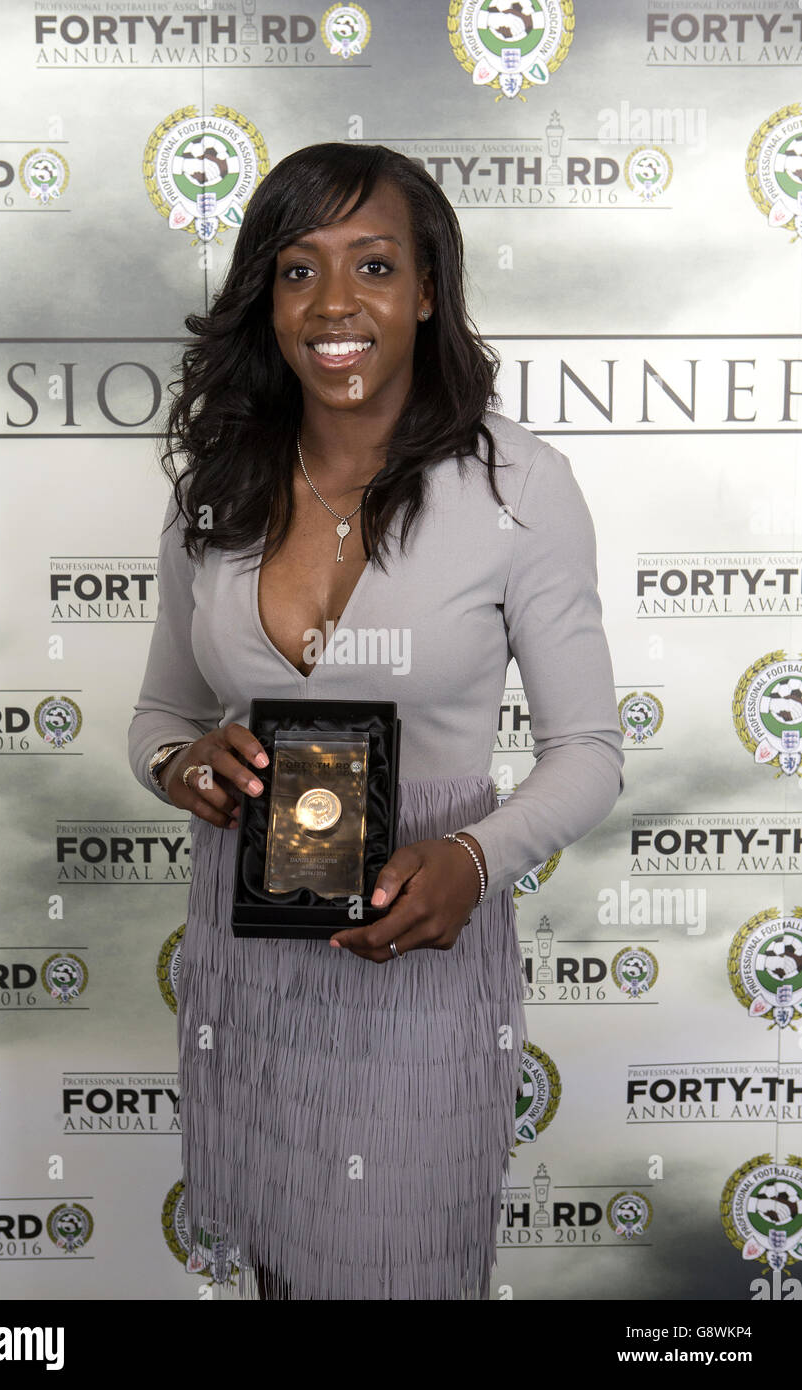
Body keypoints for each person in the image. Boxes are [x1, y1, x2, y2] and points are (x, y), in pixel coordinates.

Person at [127, 141, 625, 1301]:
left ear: (428, 291)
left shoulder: (516, 486)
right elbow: (160, 714)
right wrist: (182, 764)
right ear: (267, 299)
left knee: (397, 1269)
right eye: (299, 269)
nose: (334, 303)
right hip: (252, 961)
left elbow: (588, 754)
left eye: (375, 265)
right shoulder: (214, 488)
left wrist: (473, 857)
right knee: (284, 1272)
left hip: (420, 947)